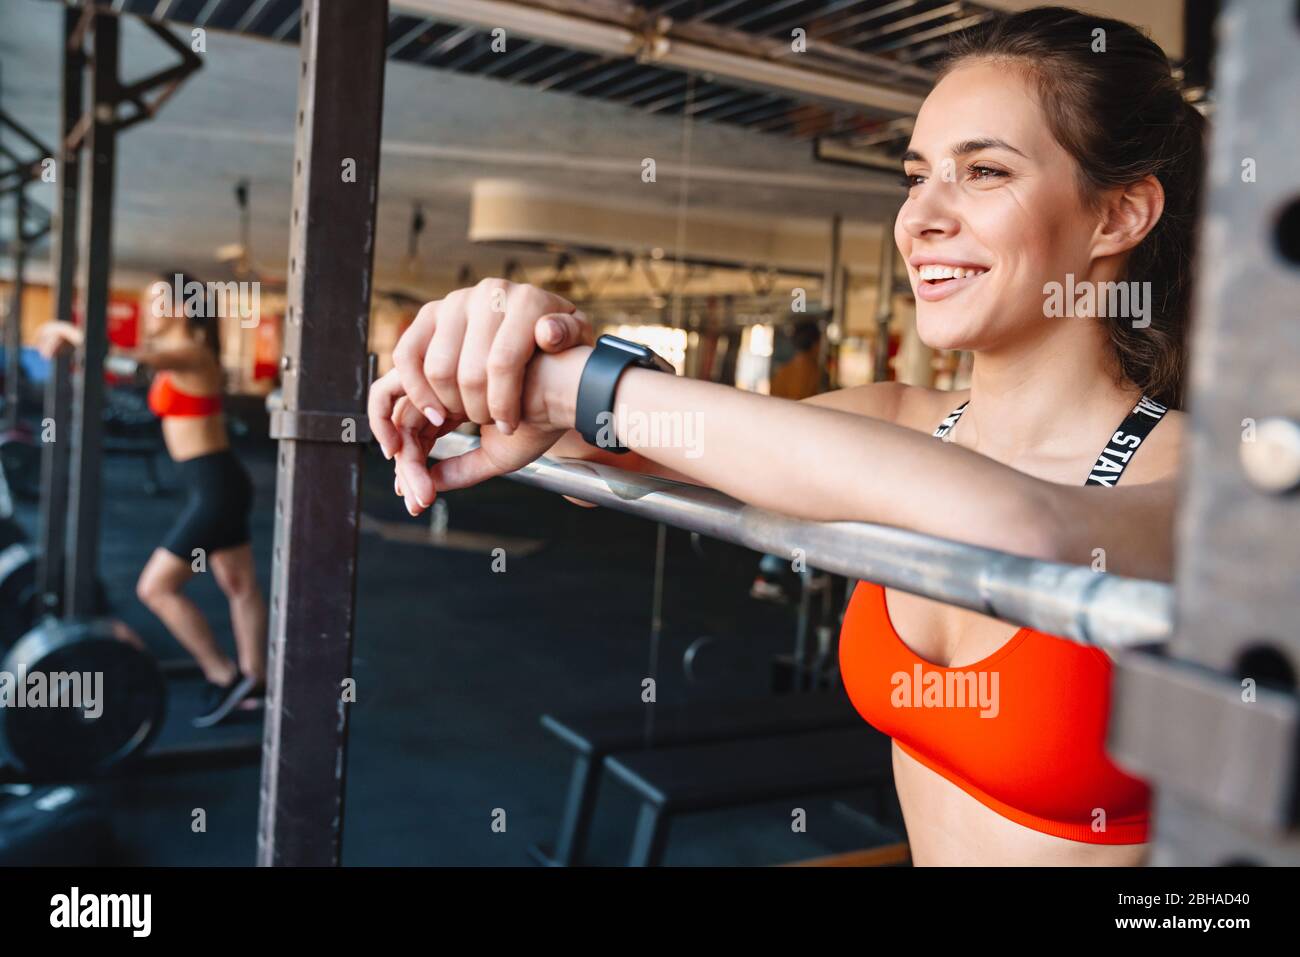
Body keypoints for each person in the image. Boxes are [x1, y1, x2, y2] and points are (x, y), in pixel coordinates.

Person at [369, 6, 1200, 865]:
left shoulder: (1206, 479)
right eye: (916, 177)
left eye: (983, 171)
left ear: (1119, 215)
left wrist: (588, 386)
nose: (919, 219)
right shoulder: (897, 416)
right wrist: (531, 353)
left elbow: (1029, 533)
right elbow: (608, 456)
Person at [37, 274, 267, 727]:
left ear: (183, 308)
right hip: (213, 483)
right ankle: (254, 681)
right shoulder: (178, 356)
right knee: (239, 586)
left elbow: (124, 360)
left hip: (216, 487)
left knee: (156, 588)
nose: (150, 308)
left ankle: (223, 676)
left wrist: (66, 331)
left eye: (158, 300)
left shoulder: (192, 353)